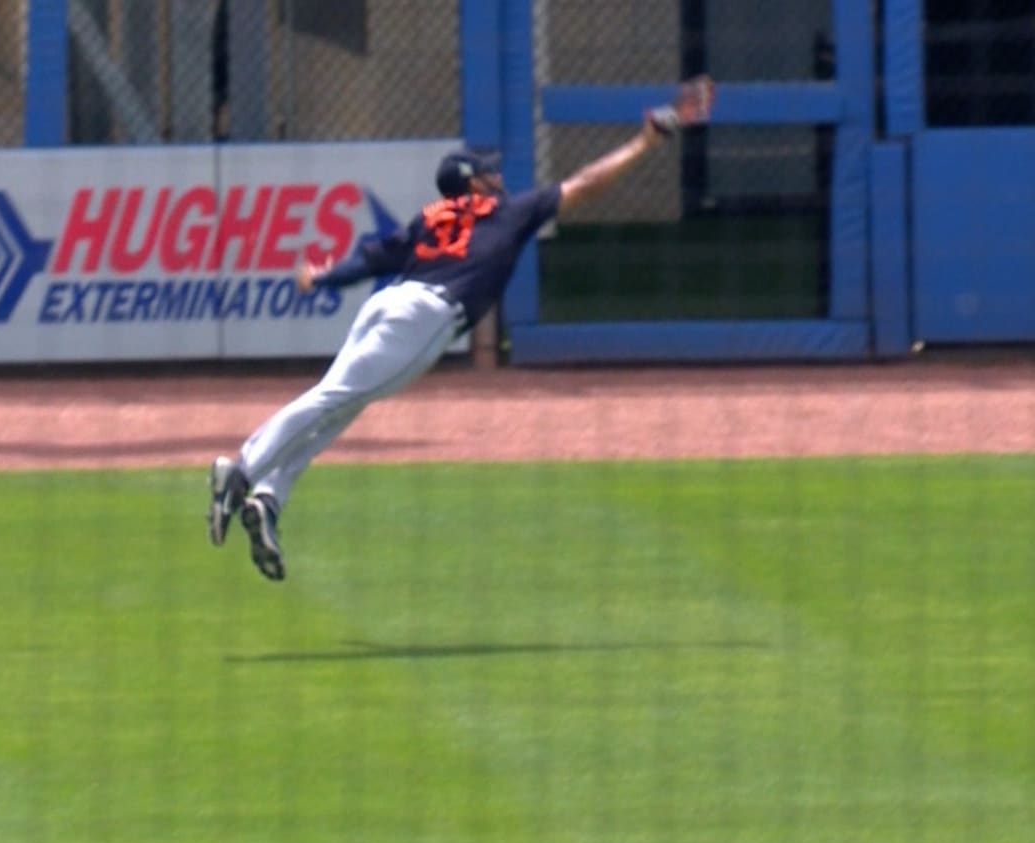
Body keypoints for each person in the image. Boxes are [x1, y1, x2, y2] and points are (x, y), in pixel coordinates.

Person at [207, 77, 714, 581]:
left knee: (340, 402)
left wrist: (322, 277)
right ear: (474, 184)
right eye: (490, 175)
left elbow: (369, 260)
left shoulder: (428, 217)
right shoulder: (509, 213)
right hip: (426, 315)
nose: (499, 180)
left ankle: (269, 498)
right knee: (334, 398)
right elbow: (586, 184)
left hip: (386, 304)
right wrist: (646, 141)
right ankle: (243, 469)